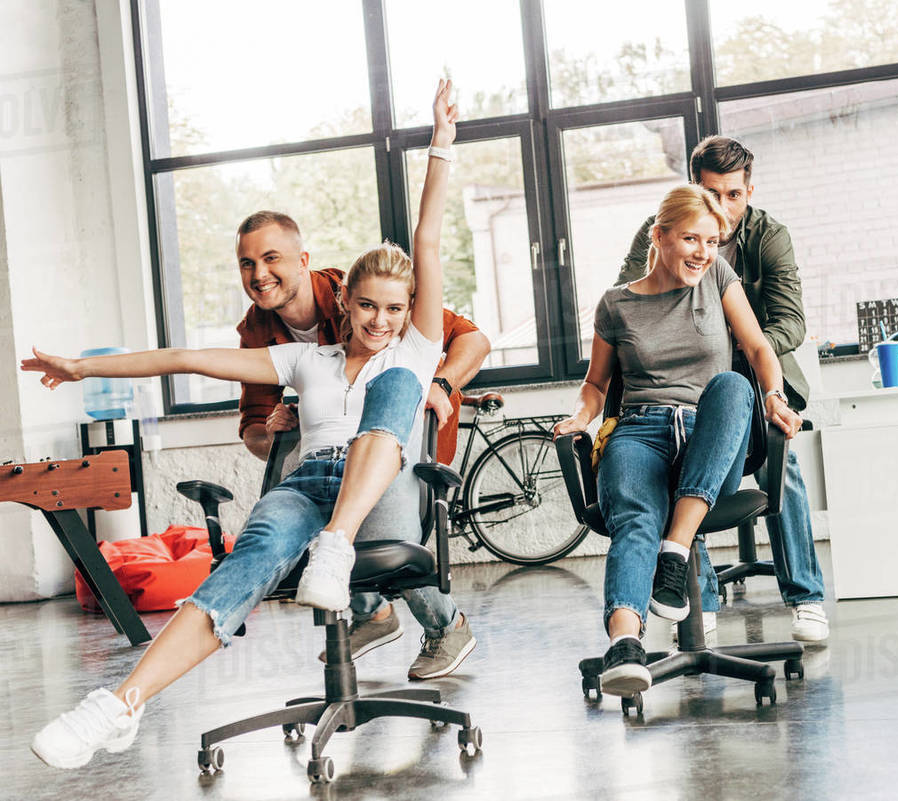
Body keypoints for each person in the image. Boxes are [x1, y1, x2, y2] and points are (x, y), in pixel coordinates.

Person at [26, 81, 467, 771]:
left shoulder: (412, 351)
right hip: (308, 486)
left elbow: (427, 241)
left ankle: (336, 546)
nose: (381, 321)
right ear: (344, 304)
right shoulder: (305, 359)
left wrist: (440, 141)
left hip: (381, 493)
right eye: (367, 306)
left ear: (409, 311)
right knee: (243, 567)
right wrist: (82, 368)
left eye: (394, 308)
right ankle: (118, 706)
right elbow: (185, 356)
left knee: (397, 388)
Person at [555, 184, 804, 697]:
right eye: (691, 239)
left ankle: (676, 550)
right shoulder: (616, 305)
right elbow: (596, 384)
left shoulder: (717, 277)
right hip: (639, 432)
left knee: (733, 384)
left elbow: (758, 347)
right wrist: (581, 416)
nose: (703, 252)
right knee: (634, 519)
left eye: (711, 242)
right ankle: (625, 646)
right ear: (659, 236)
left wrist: (775, 396)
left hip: (709, 437)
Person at [234, 210, 490, 670]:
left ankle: (445, 626)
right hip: (330, 457)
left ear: (302, 260)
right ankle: (373, 615)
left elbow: (472, 340)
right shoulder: (257, 332)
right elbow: (254, 432)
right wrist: (282, 432)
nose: (259, 274)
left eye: (271, 259)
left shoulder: (364, 291)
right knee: (317, 499)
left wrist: (440, 383)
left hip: (402, 443)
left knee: (379, 521)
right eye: (247, 263)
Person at [617, 136, 829, 643]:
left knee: (782, 464)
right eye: (712, 193)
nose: (724, 206)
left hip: (754, 376)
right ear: (694, 187)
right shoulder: (660, 230)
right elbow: (629, 305)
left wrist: (732, 342)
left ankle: (805, 596)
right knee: (679, 460)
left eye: (734, 194)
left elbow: (791, 323)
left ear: (748, 191)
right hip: (683, 381)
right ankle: (699, 598)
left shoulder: (769, 237)